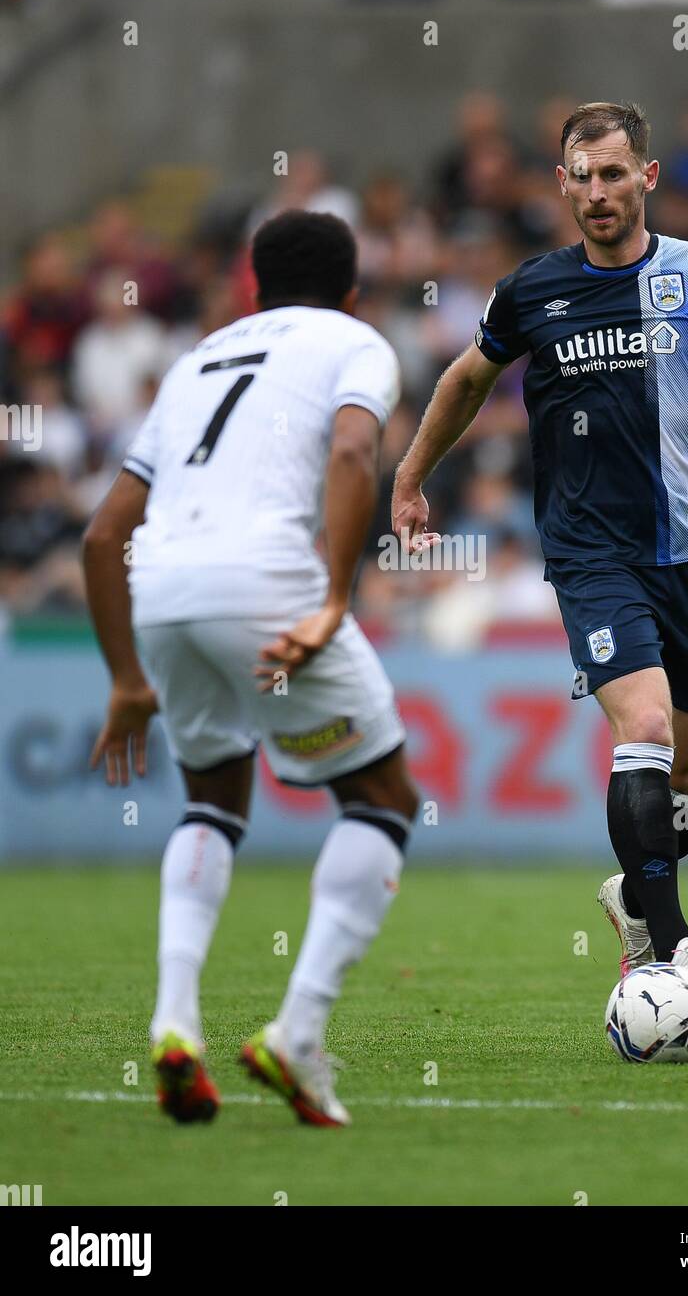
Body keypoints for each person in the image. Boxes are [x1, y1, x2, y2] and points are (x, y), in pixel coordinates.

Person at [392, 101, 688, 1004]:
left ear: (647, 178)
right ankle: (671, 946)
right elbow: (468, 377)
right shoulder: (532, 290)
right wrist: (412, 475)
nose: (596, 193)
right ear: (560, 184)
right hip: (590, 557)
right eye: (579, 177)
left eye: (613, 174)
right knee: (647, 730)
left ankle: (635, 893)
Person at [83, 211, 418, 1127]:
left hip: (160, 591)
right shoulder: (356, 342)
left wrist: (125, 679)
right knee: (382, 800)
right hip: (264, 583)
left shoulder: (196, 360)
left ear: (251, 285)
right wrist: (334, 601)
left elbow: (103, 532)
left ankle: (175, 1021)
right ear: (352, 290)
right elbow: (354, 451)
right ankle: (296, 1034)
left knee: (211, 800)